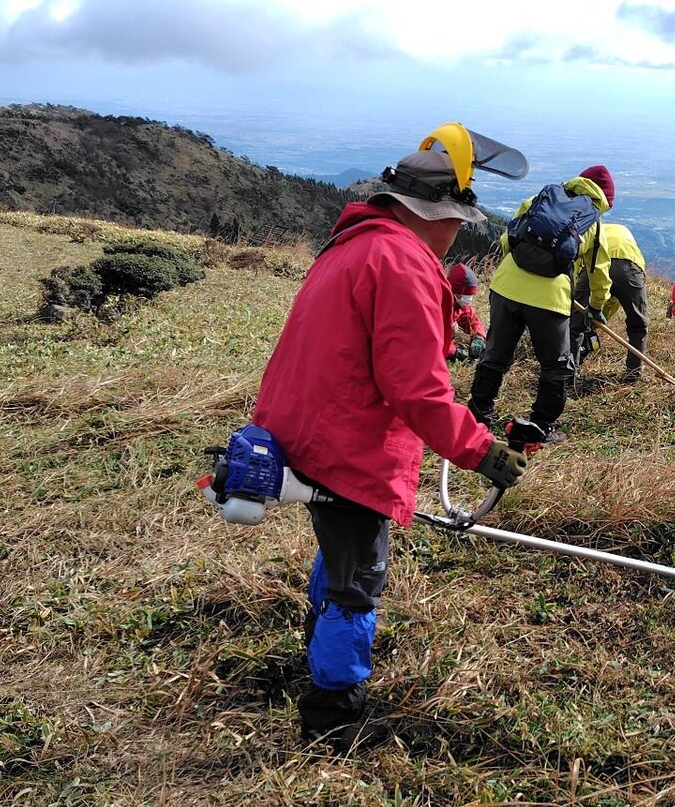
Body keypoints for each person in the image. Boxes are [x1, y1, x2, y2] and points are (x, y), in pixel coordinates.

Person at [251, 128, 530, 744]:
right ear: (431, 213)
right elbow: (418, 391)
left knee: (341, 554)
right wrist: (481, 450)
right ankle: (332, 715)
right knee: (358, 583)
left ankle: (319, 650)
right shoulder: (402, 262)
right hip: (344, 444)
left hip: (302, 426)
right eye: (455, 217)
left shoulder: (354, 243)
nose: (457, 230)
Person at [467, 166, 612, 442]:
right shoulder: (593, 221)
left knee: (496, 354)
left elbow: (507, 238)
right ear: (603, 199)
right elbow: (599, 273)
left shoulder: (542, 198)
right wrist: (596, 306)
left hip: (506, 286)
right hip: (549, 299)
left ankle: (478, 414)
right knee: (556, 366)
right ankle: (541, 426)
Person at [566, 165, 650, 382]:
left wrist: (592, 313)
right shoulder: (623, 231)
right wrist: (599, 313)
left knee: (575, 325)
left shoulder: (593, 228)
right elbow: (621, 290)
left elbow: (586, 273)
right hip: (631, 267)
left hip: (597, 265)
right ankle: (634, 374)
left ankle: (568, 375)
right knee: (638, 324)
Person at [447, 262, 486, 362]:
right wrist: (455, 352)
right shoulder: (438, 305)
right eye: (466, 295)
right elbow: (432, 340)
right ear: (454, 290)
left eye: (471, 295)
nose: (469, 299)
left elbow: (471, 319)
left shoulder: (459, 304)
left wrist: (479, 337)